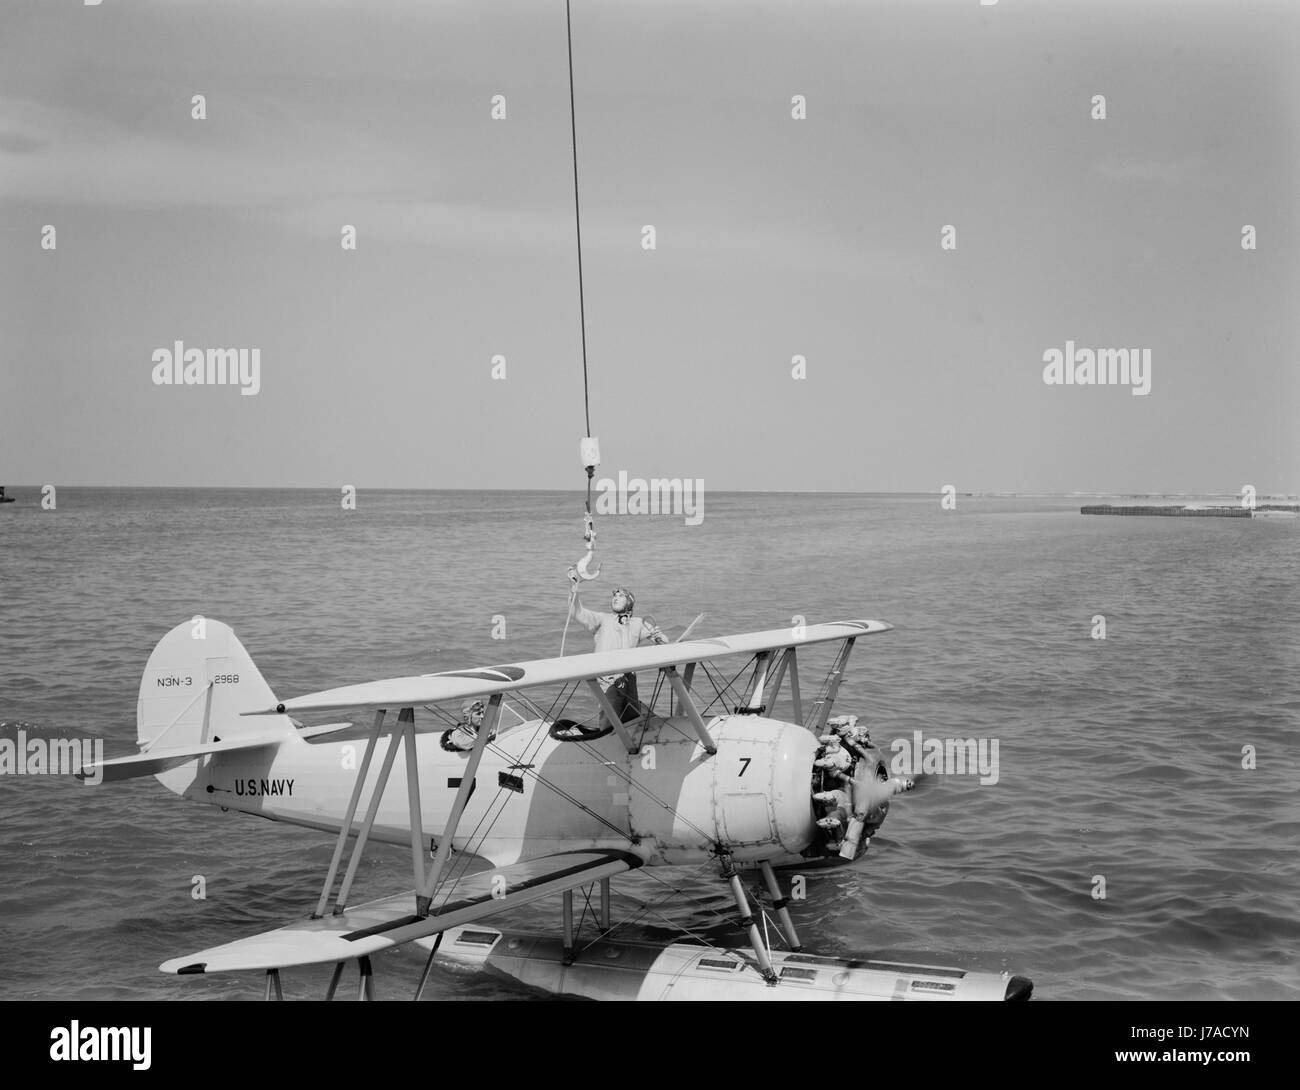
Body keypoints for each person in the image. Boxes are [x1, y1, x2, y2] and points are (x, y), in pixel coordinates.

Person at [566, 579, 667, 732]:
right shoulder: (602, 619)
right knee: (609, 720)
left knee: (632, 717)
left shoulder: (638, 623)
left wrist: (660, 638)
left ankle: (632, 748)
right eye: (614, 596)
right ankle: (605, 743)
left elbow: (661, 641)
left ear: (629, 602)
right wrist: (574, 589)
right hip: (607, 680)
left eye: (621, 596)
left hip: (629, 678)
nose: (615, 598)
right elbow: (578, 612)